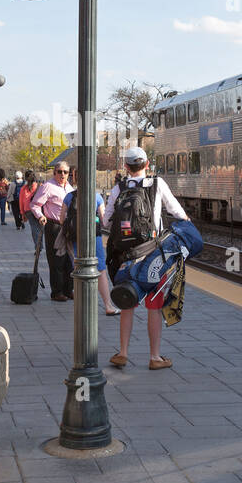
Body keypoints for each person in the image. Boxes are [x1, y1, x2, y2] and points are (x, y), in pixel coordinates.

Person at [102, 147, 188, 370]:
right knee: (154, 305)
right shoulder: (158, 185)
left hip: (125, 256)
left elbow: (106, 222)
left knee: (127, 302)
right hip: (154, 254)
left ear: (126, 167)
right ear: (147, 164)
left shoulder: (118, 188)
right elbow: (177, 212)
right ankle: (154, 357)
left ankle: (122, 352)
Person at [60, 166, 120, 315]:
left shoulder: (69, 196)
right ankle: (108, 305)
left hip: (75, 237)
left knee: (79, 267)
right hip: (95, 237)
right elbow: (105, 221)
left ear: (75, 178)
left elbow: (61, 219)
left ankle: (82, 307)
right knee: (100, 270)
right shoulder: (97, 197)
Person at [29, 162, 73, 301]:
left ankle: (68, 289)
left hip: (68, 226)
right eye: (59, 172)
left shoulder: (69, 187)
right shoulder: (48, 186)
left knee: (69, 260)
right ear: (54, 172)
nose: (62, 175)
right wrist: (40, 216)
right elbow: (35, 204)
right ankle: (57, 292)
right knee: (56, 260)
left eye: (65, 172)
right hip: (54, 226)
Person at [20, 170, 42, 250]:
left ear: (26, 178)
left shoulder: (23, 189)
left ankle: (37, 245)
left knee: (34, 228)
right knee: (39, 228)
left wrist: (22, 213)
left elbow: (21, 201)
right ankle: (40, 244)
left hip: (28, 210)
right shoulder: (39, 186)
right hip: (39, 209)